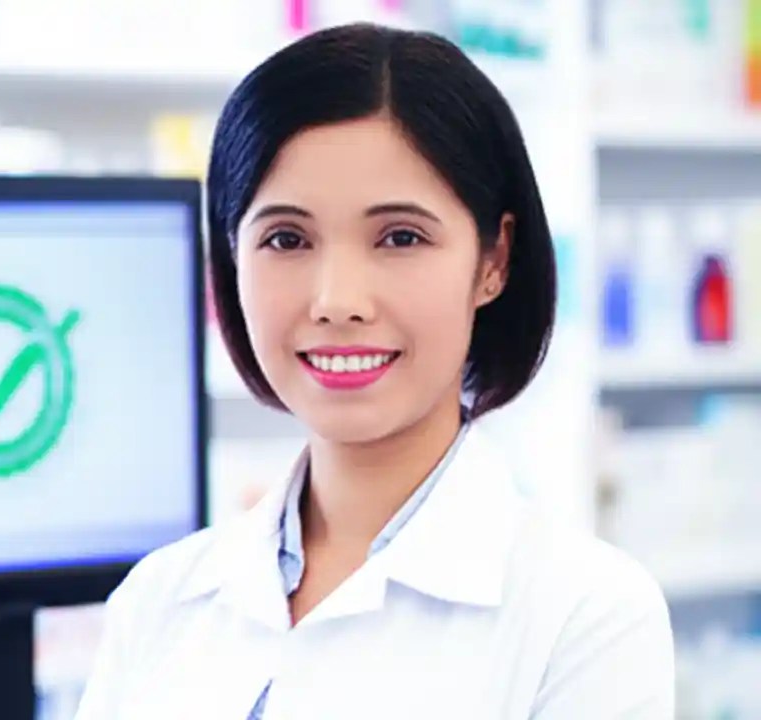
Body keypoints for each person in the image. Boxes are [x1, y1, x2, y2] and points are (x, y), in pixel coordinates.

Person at [74, 23, 674, 719]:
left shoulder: (586, 618)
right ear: (233, 259)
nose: (337, 302)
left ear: (493, 261)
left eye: (400, 237)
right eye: (286, 239)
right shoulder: (160, 599)